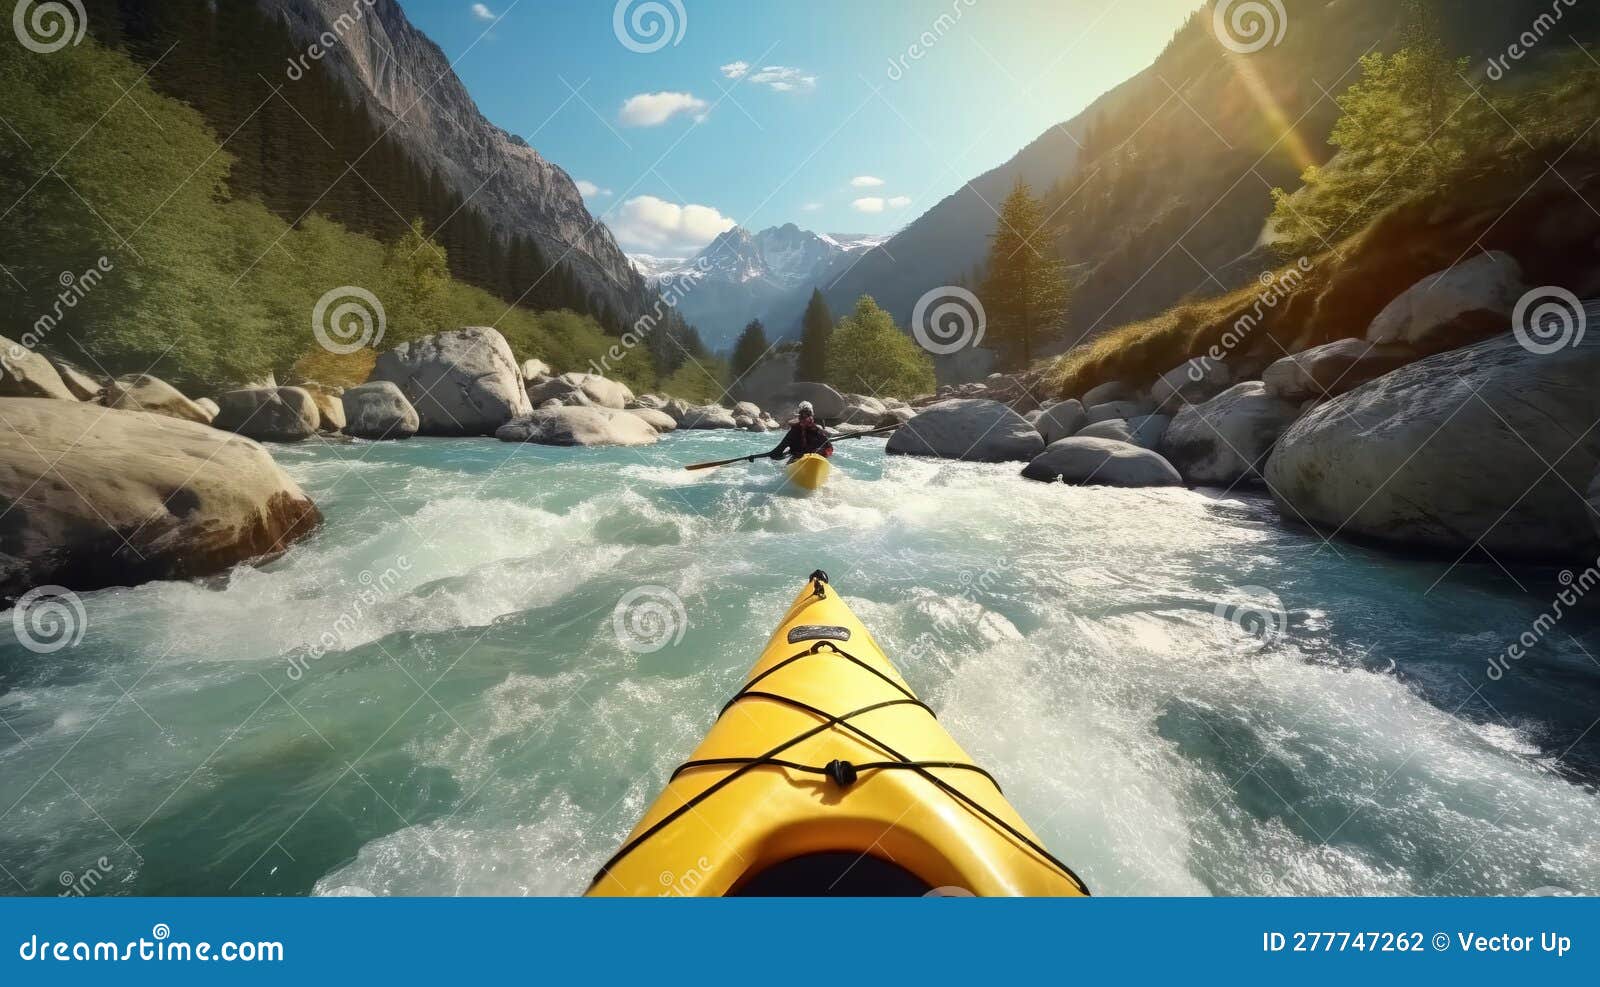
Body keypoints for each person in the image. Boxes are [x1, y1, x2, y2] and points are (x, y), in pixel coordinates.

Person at [767, 401, 834, 463]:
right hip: (797, 461)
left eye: (807, 414)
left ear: (811, 416)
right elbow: (777, 451)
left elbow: (829, 448)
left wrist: (821, 453)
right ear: (799, 417)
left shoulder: (818, 432)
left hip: (814, 460)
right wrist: (772, 455)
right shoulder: (794, 431)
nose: (805, 418)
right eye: (803, 415)